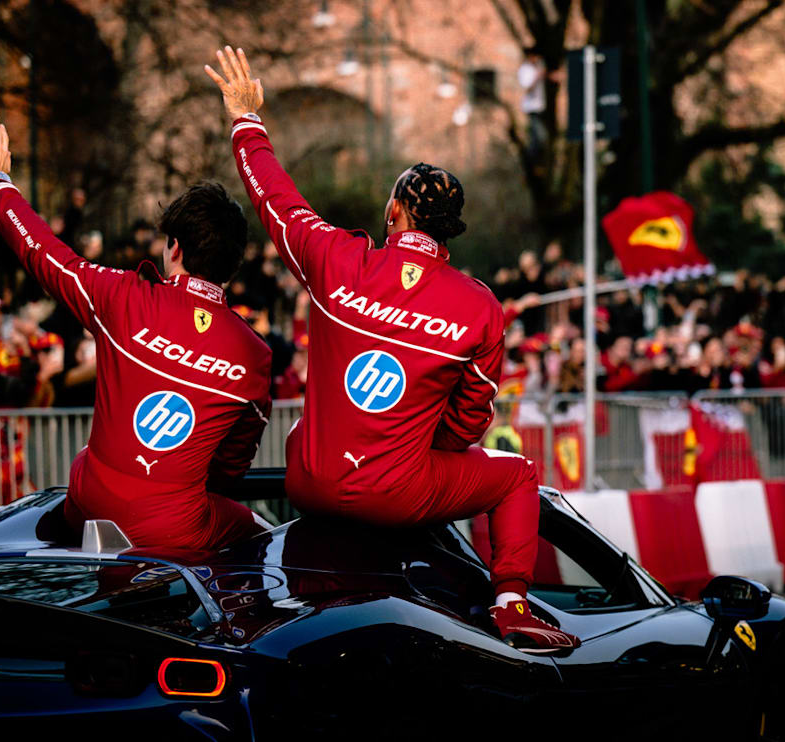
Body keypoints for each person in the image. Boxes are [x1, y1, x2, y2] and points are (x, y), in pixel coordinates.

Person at [206, 46, 579, 652]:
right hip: (401, 494)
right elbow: (468, 425)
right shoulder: (481, 306)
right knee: (519, 475)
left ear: (395, 211)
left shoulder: (337, 259)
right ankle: (512, 606)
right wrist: (417, 448)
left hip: (312, 480)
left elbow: (276, 201)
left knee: (308, 427)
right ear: (448, 230)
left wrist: (246, 121)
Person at [0, 116, 272, 551]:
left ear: (175, 249)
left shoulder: (123, 295)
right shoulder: (255, 352)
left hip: (88, 504)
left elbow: (45, 255)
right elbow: (231, 466)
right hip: (173, 526)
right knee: (266, 536)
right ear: (234, 263)